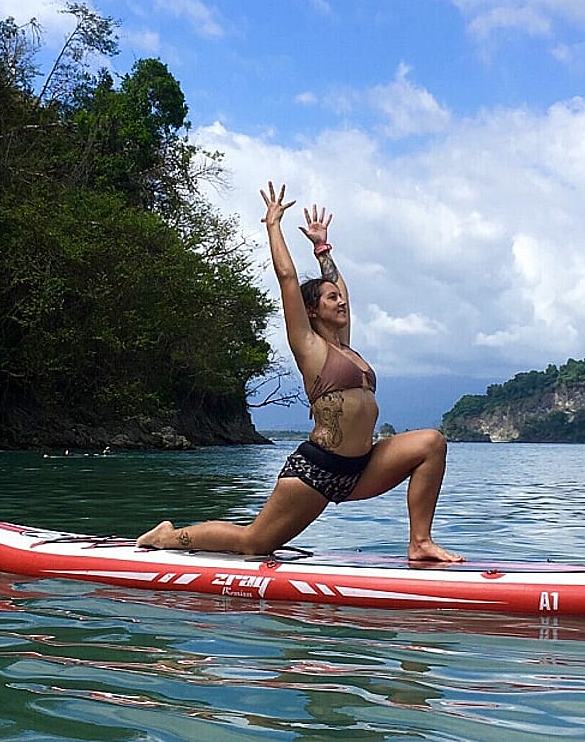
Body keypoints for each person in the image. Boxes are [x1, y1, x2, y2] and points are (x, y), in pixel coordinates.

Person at [137, 182, 462, 562]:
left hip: (363, 465)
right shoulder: (309, 347)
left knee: (431, 443)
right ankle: (168, 537)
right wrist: (273, 225)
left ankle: (420, 541)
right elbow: (288, 279)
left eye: (340, 297)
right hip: (317, 469)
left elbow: (342, 287)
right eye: (331, 298)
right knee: (254, 543)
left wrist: (323, 248)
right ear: (312, 310)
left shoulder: (346, 345)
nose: (340, 301)